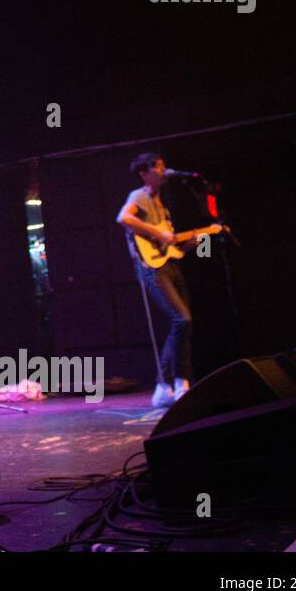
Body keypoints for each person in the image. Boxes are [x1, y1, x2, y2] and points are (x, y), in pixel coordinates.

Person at [116, 153, 193, 408]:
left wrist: (201, 240)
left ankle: (169, 384)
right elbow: (124, 219)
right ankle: (173, 382)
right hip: (152, 268)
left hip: (171, 264)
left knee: (183, 324)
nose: (163, 170)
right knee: (182, 319)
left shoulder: (163, 205)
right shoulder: (139, 196)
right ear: (144, 173)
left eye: (162, 165)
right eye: (157, 167)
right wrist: (157, 232)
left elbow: (175, 247)